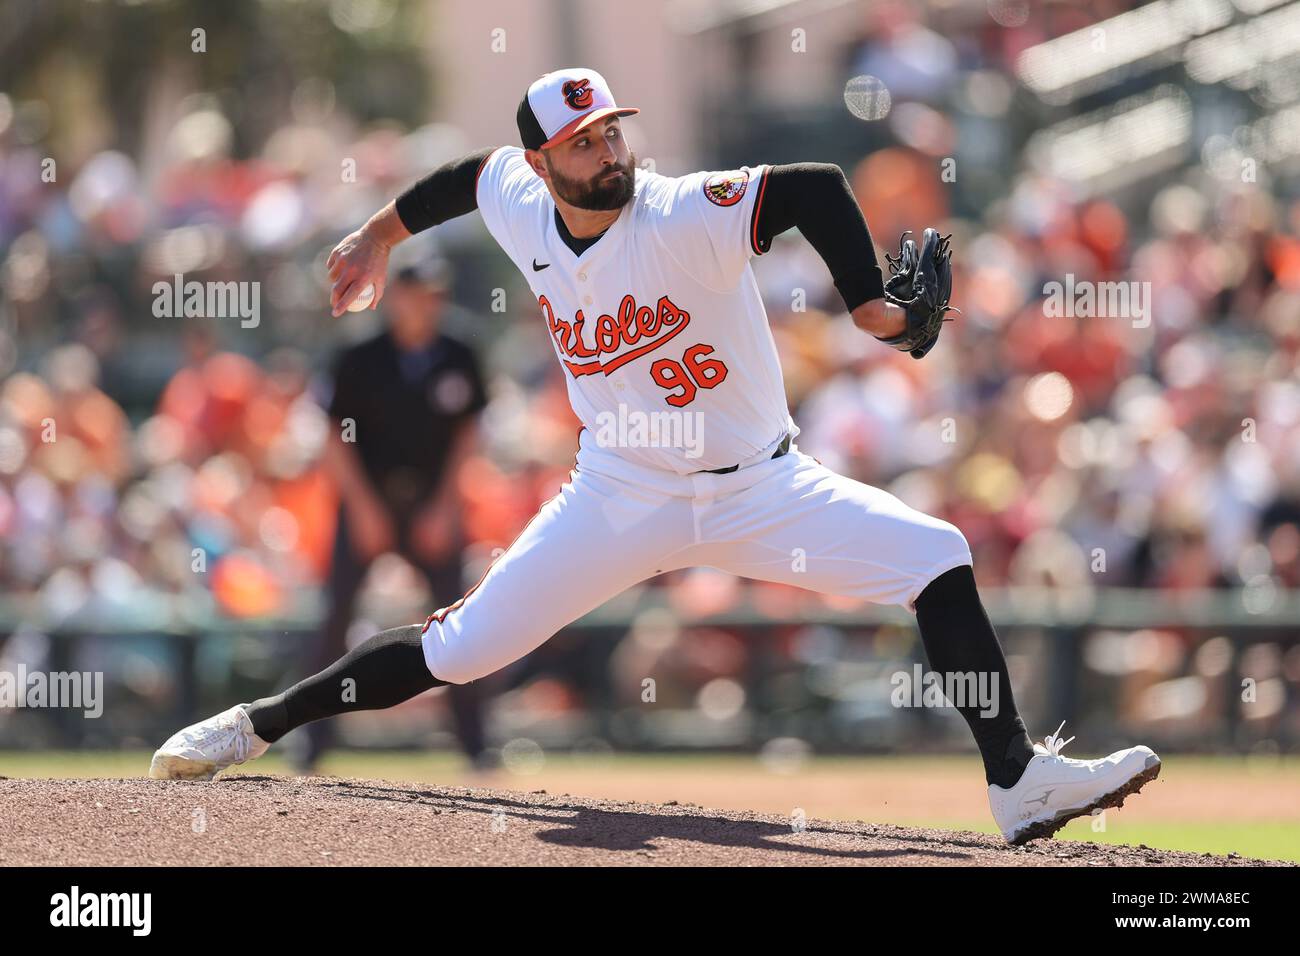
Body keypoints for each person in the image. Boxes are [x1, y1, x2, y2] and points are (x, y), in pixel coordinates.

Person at [150, 68, 1160, 845]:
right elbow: (467, 178)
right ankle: (258, 721)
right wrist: (376, 233)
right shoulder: (517, 198)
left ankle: (1015, 779)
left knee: (935, 554)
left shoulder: (679, 210)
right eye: (581, 141)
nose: (606, 149)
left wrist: (872, 306)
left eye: (611, 129)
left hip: (761, 484)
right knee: (460, 650)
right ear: (543, 166)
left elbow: (813, 187)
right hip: (620, 490)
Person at [293, 253, 493, 772]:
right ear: (395, 296)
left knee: (461, 622)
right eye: (419, 293)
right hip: (368, 500)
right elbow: (334, 437)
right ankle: (310, 745)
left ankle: (476, 747)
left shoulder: (459, 353)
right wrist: (363, 510)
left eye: (437, 294)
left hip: (431, 504)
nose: (430, 304)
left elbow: (467, 435)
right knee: (334, 619)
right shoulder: (359, 355)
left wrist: (445, 507)